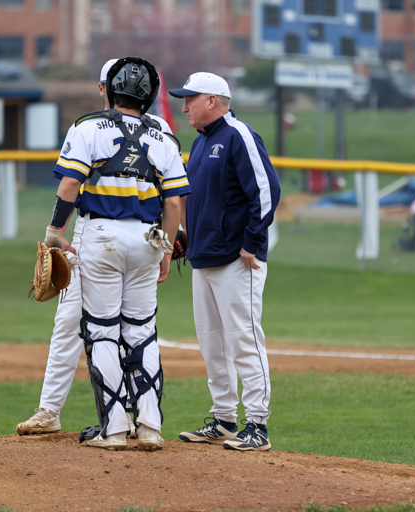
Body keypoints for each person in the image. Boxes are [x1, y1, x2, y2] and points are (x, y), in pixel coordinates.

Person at [15, 58, 176, 440]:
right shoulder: (163, 131)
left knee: (96, 329)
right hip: (147, 238)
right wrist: (168, 245)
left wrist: (54, 232)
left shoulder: (88, 127)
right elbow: (173, 200)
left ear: (110, 89)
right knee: (137, 330)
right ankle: (143, 422)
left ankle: (115, 425)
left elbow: (70, 184)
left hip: (98, 235)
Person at [169, 73, 280, 452]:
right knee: (212, 345)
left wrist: (252, 241)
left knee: (244, 341)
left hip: (237, 260)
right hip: (205, 259)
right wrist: (183, 236)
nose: (184, 107)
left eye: (190, 99)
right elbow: (192, 199)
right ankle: (224, 420)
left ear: (213, 100)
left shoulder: (237, 135)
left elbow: (266, 190)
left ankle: (258, 427)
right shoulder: (200, 145)